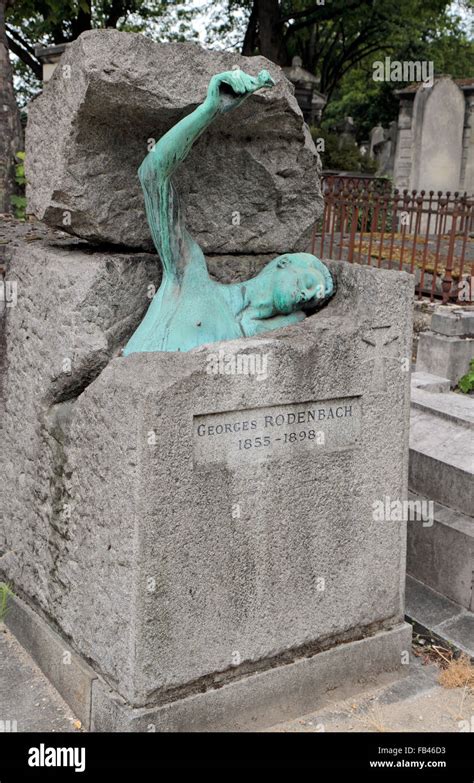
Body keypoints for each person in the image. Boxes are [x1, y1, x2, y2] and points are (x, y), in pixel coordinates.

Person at [123, 68, 334, 355]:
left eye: (312, 299)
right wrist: (210, 110)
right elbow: (152, 175)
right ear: (283, 262)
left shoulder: (252, 334)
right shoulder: (190, 274)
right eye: (309, 283)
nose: (308, 295)